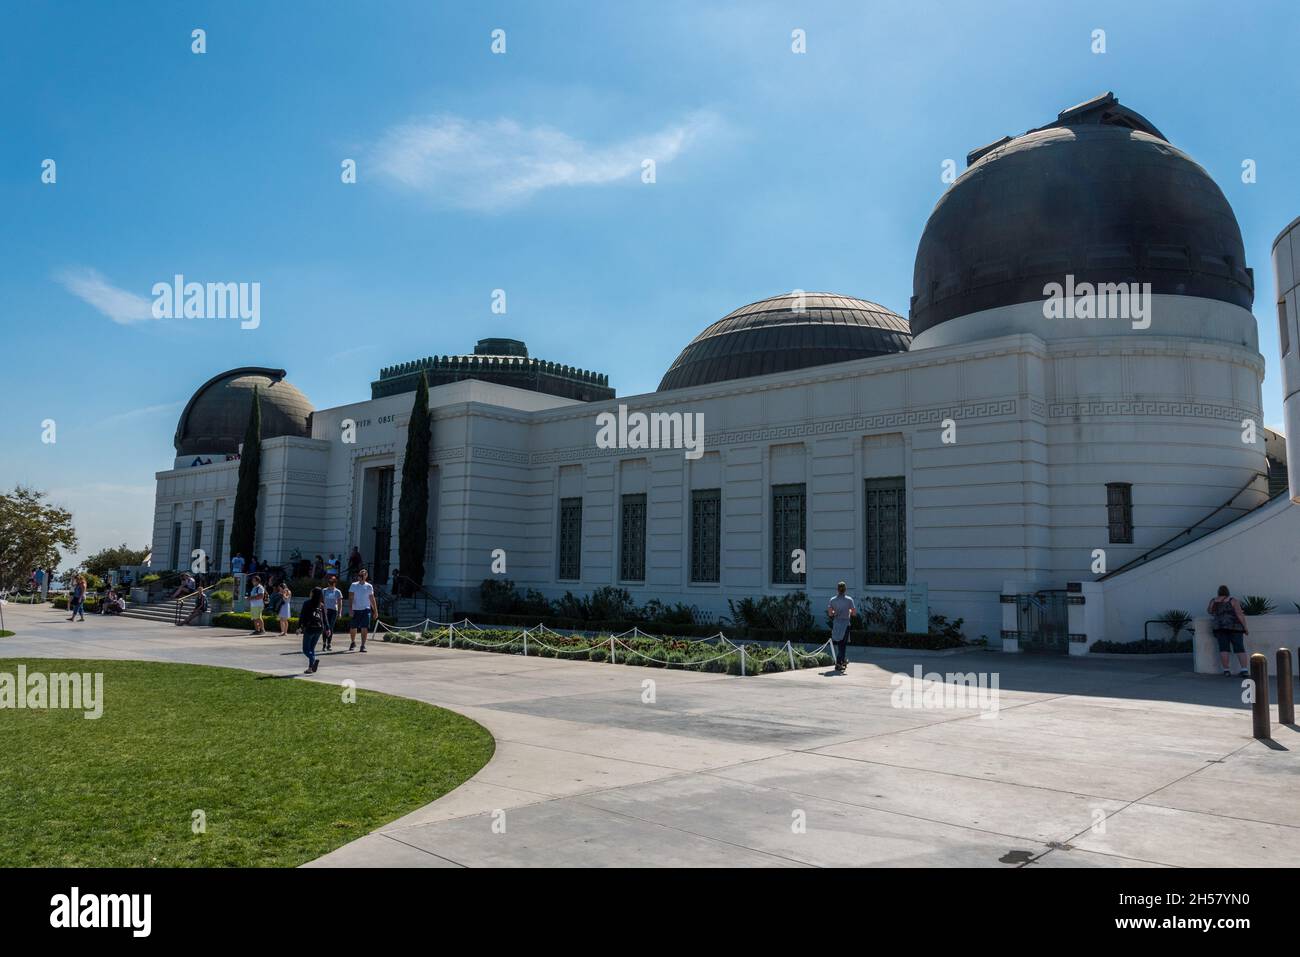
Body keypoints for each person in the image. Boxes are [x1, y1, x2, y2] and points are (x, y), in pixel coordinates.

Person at [1208, 585, 1250, 677]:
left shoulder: (1213, 601)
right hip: (1235, 627)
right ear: (1227, 592)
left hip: (1220, 628)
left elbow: (1210, 611)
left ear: (1218, 592)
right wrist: (1245, 628)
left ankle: (1226, 670)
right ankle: (1244, 670)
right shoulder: (1233, 600)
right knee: (1240, 649)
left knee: (1224, 649)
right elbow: (1239, 614)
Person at [826, 581, 857, 674]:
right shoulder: (849, 600)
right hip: (845, 623)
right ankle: (839, 662)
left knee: (840, 643)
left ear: (837, 589)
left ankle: (842, 661)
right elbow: (854, 613)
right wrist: (849, 612)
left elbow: (830, 613)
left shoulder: (832, 600)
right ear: (845, 589)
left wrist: (835, 613)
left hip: (837, 623)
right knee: (843, 644)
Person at [348, 568, 377, 653]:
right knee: (353, 627)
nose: (362, 576)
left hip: (366, 609)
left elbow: (372, 599)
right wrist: (350, 609)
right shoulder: (353, 585)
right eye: (361, 574)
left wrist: (375, 611)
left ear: (366, 576)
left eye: (364, 574)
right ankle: (353, 642)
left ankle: (363, 645)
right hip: (356, 609)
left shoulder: (369, 586)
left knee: (365, 627)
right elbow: (350, 598)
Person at [298, 587, 326, 674]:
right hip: (319, 628)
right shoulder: (321, 605)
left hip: (310, 628)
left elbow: (302, 616)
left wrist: (299, 627)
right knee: (312, 649)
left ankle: (313, 660)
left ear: (313, 594)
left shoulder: (307, 603)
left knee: (306, 650)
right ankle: (310, 668)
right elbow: (324, 618)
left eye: (311, 592)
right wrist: (327, 628)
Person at [321, 575, 343, 651]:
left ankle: (329, 643)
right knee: (325, 627)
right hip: (326, 610)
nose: (331, 584)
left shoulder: (337, 591)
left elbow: (340, 603)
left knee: (330, 627)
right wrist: (323, 609)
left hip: (334, 610)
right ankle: (324, 643)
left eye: (333, 582)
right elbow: (321, 601)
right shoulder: (324, 590)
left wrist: (340, 612)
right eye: (330, 582)